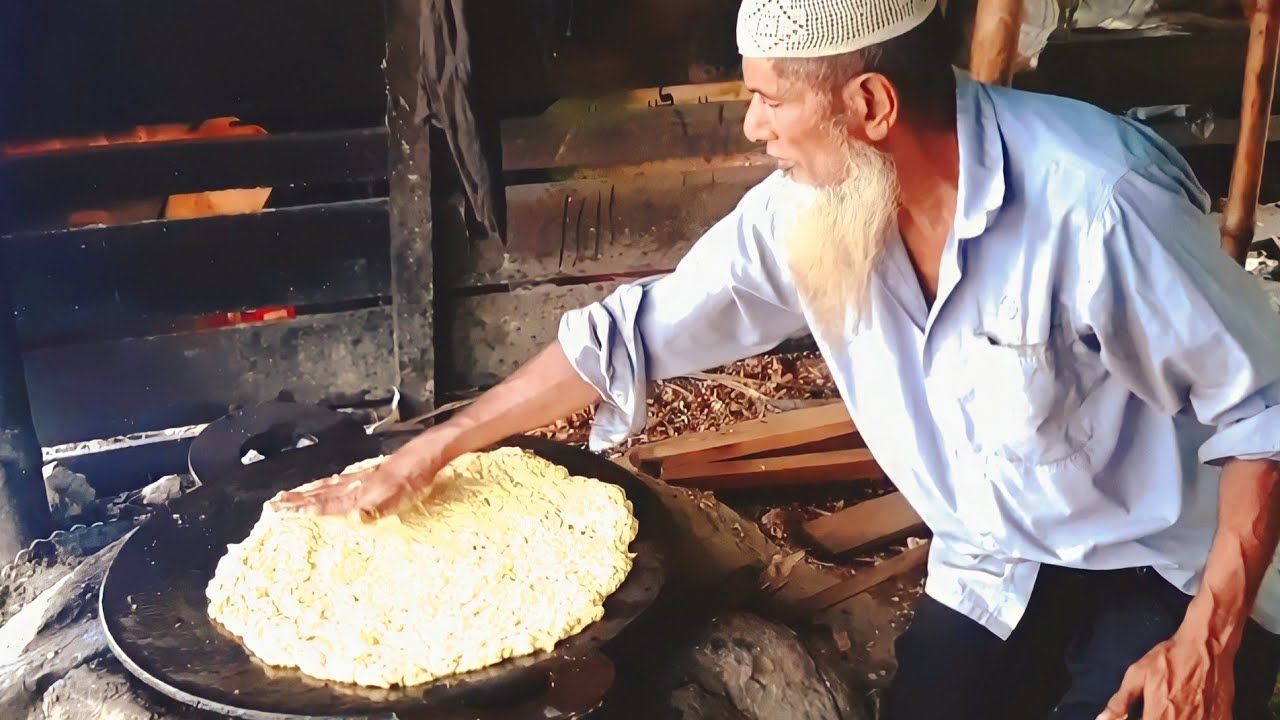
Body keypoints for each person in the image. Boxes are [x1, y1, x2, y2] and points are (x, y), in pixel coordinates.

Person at [274, 0, 1280, 716]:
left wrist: (1209, 639)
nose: (753, 129)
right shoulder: (808, 215)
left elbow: (1262, 411)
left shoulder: (1093, 204)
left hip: (1167, 561)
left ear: (869, 105)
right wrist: (425, 453)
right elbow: (633, 333)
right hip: (996, 557)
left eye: (767, 101)